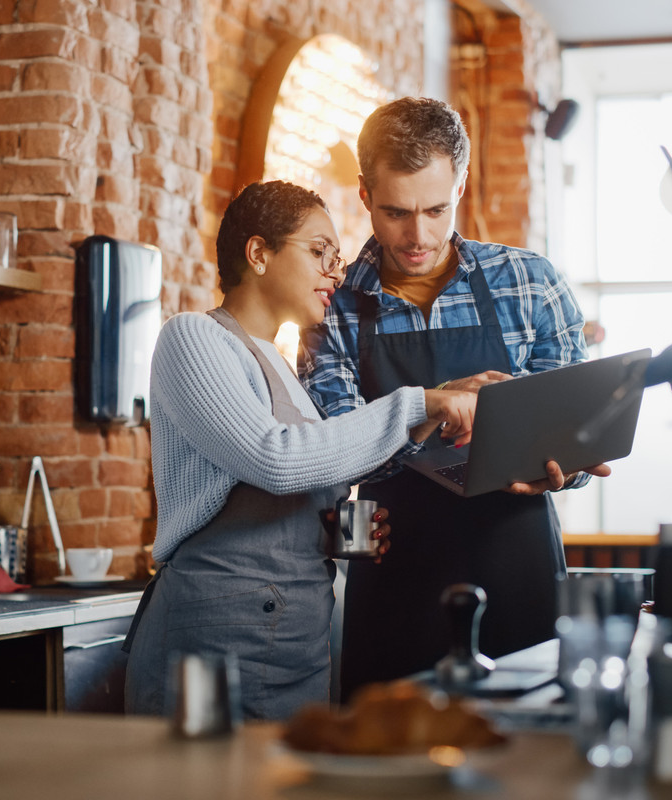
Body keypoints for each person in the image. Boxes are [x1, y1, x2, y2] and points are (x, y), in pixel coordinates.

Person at [122, 180, 477, 722]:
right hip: (215, 642)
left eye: (337, 258)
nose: (336, 273)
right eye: (319, 253)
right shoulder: (192, 337)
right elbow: (276, 459)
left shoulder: (283, 368)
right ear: (258, 253)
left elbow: (290, 483)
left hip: (295, 644)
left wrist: (332, 533)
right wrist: (418, 403)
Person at [300, 97, 611, 700]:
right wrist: (435, 403)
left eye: (436, 209)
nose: (418, 236)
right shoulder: (331, 306)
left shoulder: (531, 282)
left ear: (461, 185)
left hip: (518, 563)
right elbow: (334, 450)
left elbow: (574, 430)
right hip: (396, 576)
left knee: (527, 745)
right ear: (365, 194)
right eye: (396, 212)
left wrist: (566, 466)